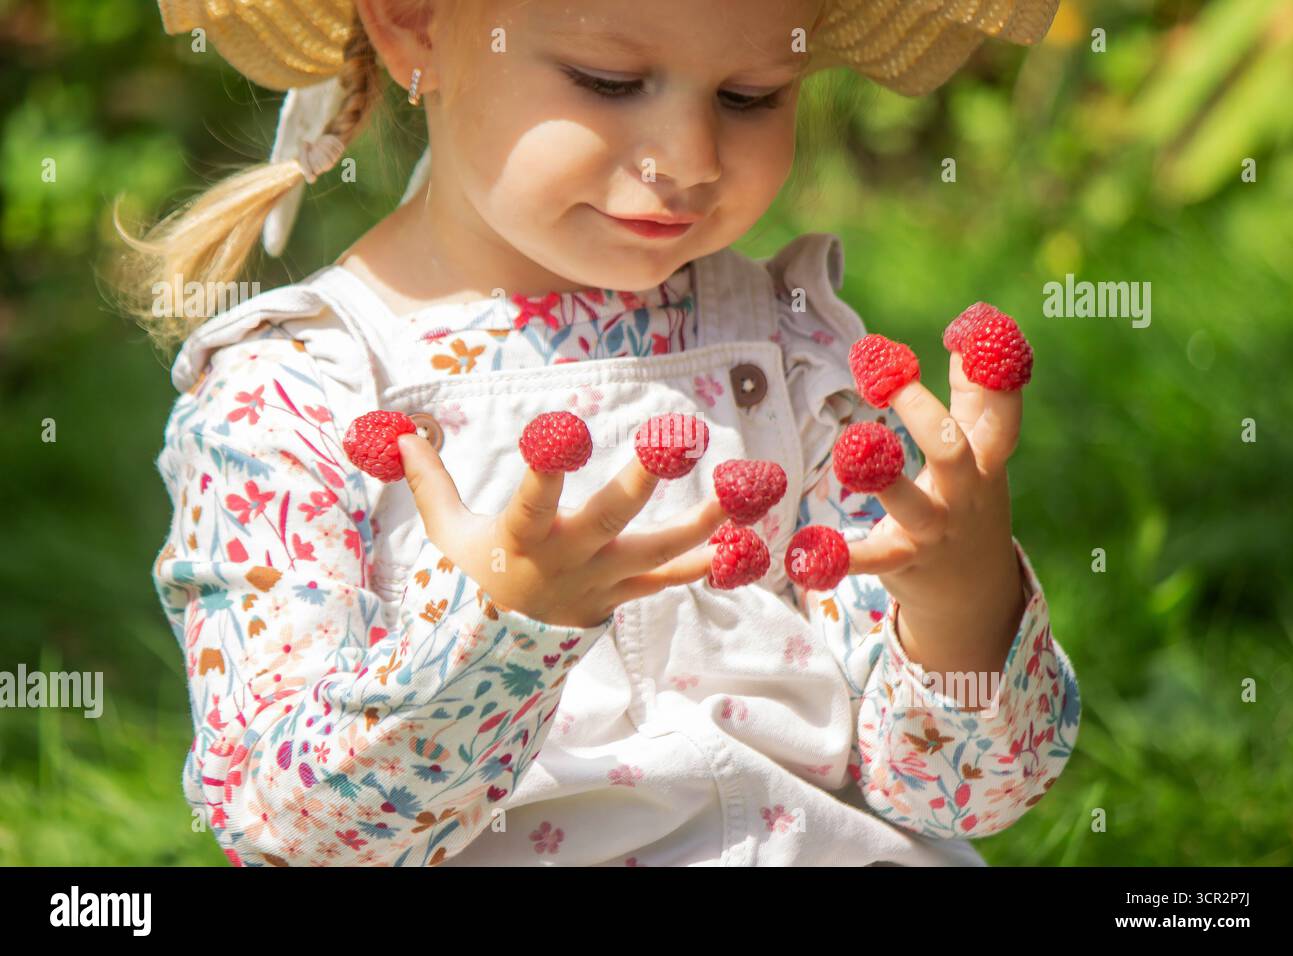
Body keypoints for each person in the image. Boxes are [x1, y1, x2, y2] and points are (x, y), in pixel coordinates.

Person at [116, 0, 1080, 866]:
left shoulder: (792, 347)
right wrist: (500, 632)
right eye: (609, 82)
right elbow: (288, 828)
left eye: (751, 96)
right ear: (412, 23)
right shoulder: (293, 396)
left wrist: (963, 595)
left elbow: (963, 792)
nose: (691, 157)